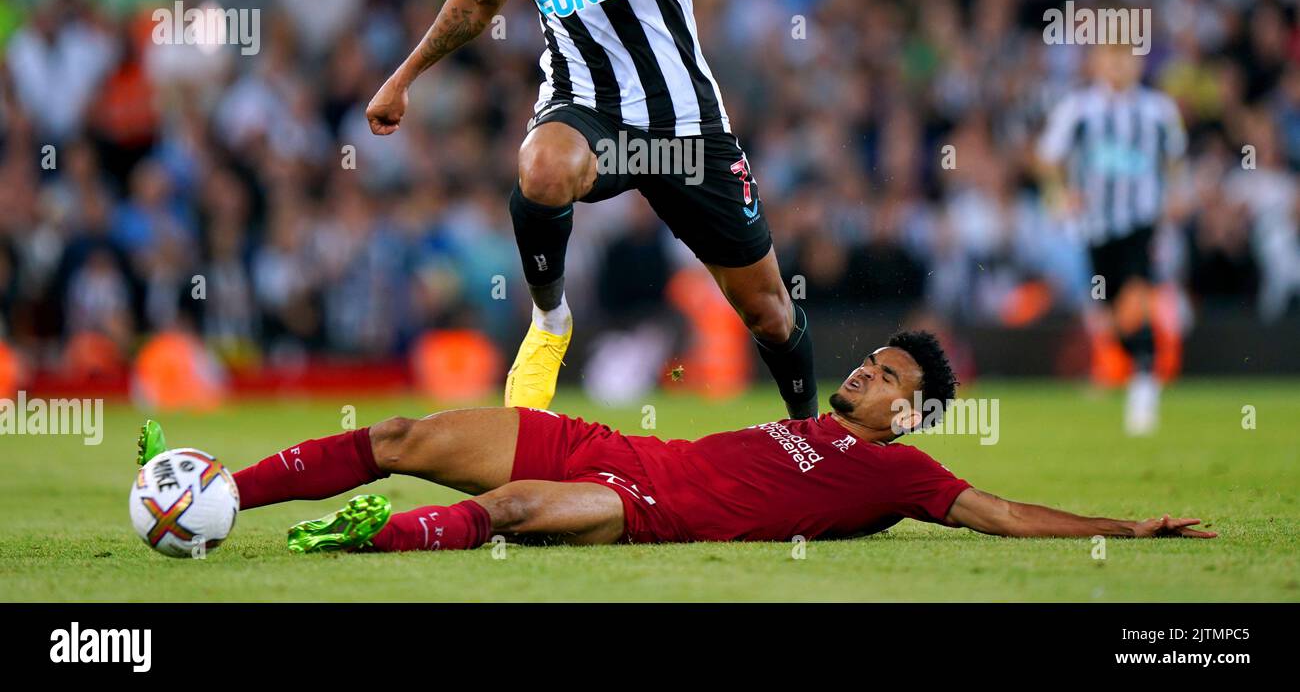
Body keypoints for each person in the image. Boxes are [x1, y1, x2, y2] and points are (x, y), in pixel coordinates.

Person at [363, 0, 817, 418]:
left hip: (684, 129)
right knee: (543, 166)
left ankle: (816, 439)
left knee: (768, 312)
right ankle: (550, 320)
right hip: (589, 115)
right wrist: (403, 76)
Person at [135, 330, 1215, 551]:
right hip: (604, 445)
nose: (862, 372)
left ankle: (356, 541)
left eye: (886, 376)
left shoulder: (904, 470)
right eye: (869, 359)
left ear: (913, 412)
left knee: (509, 517)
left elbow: (1002, 512)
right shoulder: (811, 416)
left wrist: (1127, 524)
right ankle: (217, 489)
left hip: (647, 510)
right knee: (400, 428)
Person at [1039, 38, 1187, 435]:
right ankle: (1135, 364)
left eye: (1126, 57)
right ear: (1098, 63)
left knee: (1137, 301)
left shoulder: (1158, 109)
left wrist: (1174, 197)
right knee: (1109, 317)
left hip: (1141, 223)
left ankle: (1144, 386)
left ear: (1137, 63)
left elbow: (1174, 160)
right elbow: (1047, 157)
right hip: (1095, 228)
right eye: (1111, 57)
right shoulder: (1079, 108)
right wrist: (1060, 192)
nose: (1119, 65)